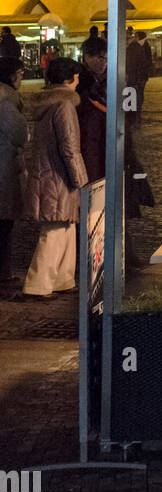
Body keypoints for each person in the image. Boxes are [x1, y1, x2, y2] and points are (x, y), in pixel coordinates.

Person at [21, 57, 87, 299]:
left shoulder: (50, 104)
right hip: (57, 176)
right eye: (77, 77)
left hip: (48, 174)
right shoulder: (65, 106)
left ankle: (62, 278)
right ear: (69, 79)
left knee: (66, 226)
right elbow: (70, 147)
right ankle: (38, 284)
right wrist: (81, 179)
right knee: (55, 230)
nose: (79, 81)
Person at [0, 58, 27, 286]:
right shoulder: (7, 101)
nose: (22, 78)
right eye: (20, 73)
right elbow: (20, 135)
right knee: (4, 226)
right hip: (4, 169)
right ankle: (4, 274)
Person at [77, 38, 108, 183]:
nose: (104, 62)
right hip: (89, 146)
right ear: (87, 57)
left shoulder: (104, 81)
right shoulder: (81, 84)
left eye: (106, 58)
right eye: (100, 58)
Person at [125, 29, 149, 125]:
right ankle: (135, 118)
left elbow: (133, 64)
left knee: (132, 100)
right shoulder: (137, 47)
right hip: (135, 78)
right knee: (135, 99)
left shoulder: (133, 47)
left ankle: (132, 119)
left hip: (133, 79)